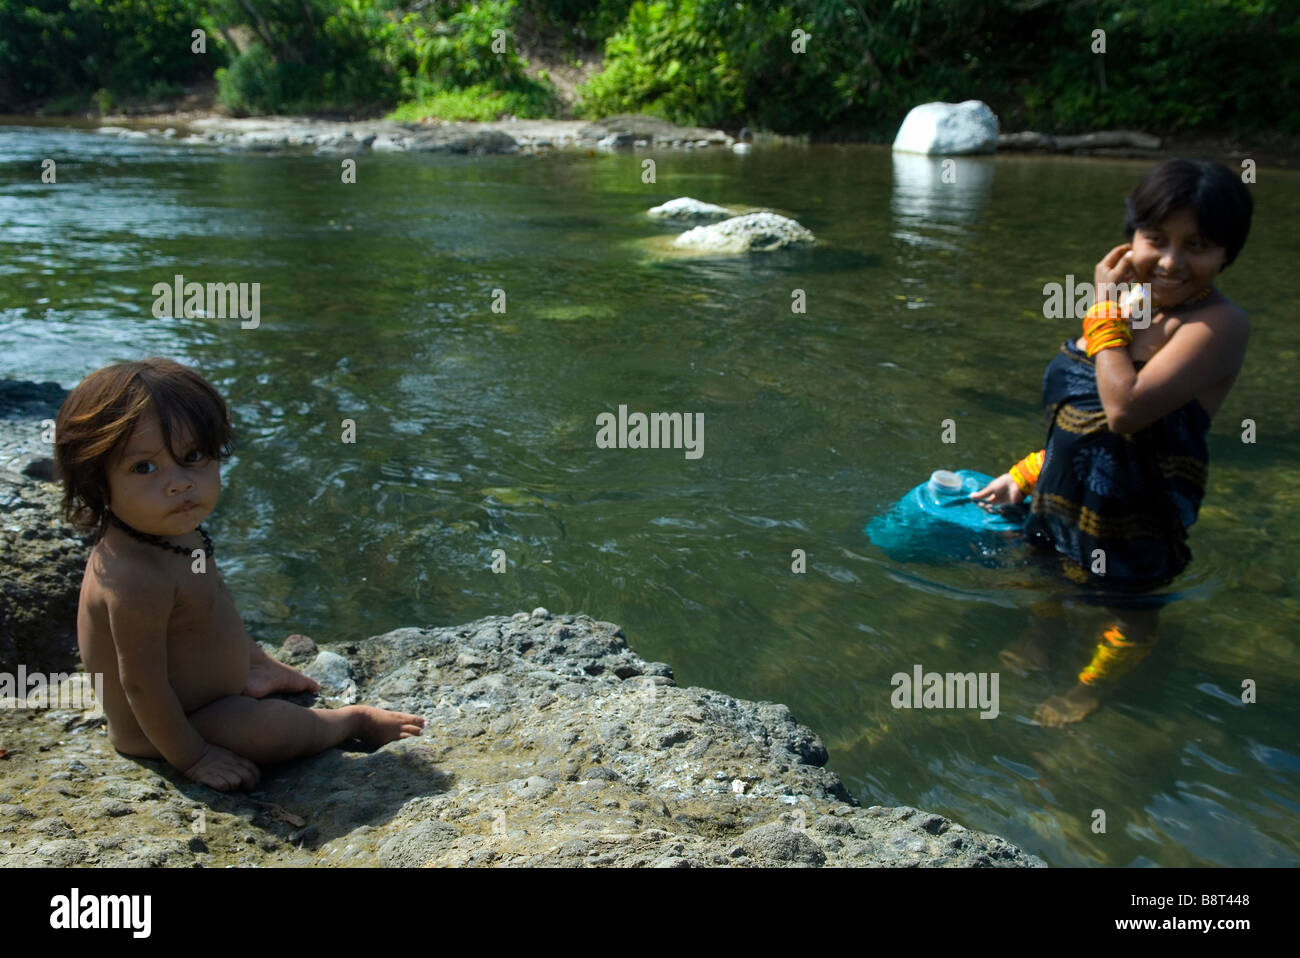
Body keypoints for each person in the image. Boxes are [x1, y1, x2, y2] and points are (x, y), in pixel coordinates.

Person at [55, 357, 426, 790]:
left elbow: (212, 605)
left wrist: (258, 661)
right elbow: (141, 685)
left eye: (192, 457)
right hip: (172, 726)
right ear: (97, 482)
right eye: (145, 467)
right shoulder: (133, 576)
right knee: (275, 731)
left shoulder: (169, 528)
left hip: (211, 695)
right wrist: (195, 757)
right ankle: (347, 723)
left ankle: (257, 671)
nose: (178, 483)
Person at [970, 158, 1253, 725]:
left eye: (1196, 245)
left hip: (1137, 508)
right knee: (1046, 571)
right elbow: (1080, 420)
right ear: (1130, 240)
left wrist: (1101, 305)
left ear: (1226, 255)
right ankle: (1041, 634)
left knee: (1131, 611)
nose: (1171, 261)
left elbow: (1123, 411)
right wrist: (1025, 473)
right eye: (1156, 239)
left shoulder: (1217, 326)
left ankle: (1089, 690)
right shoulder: (1128, 308)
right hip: (1063, 497)